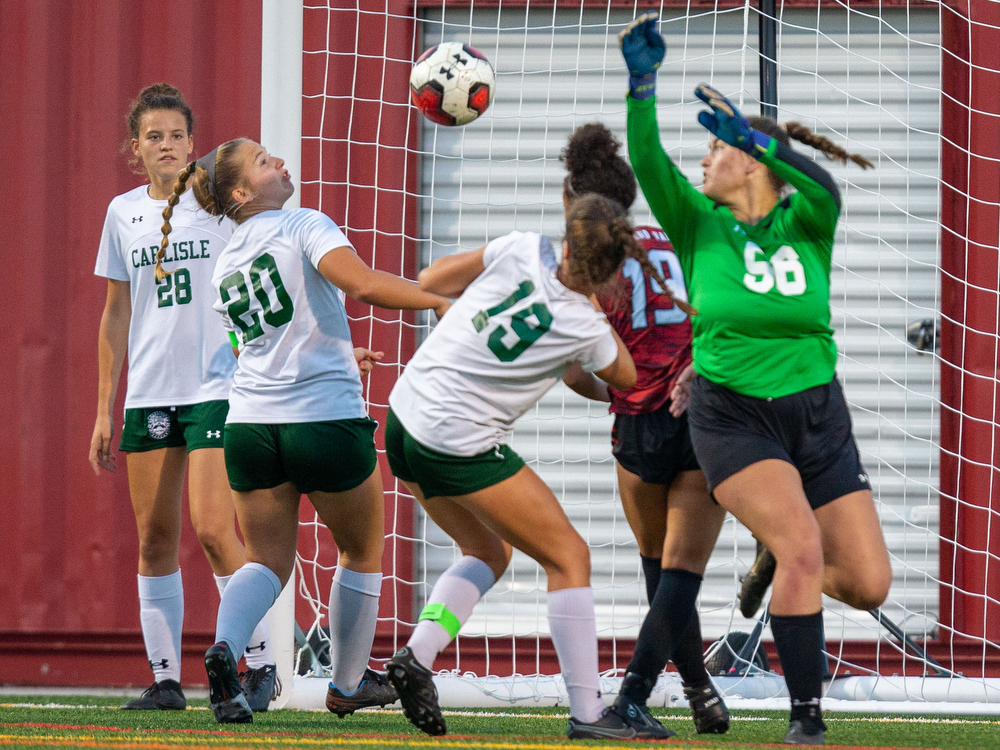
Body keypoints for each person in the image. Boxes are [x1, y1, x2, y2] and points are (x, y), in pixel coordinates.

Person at [619, 13, 892, 745]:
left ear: (753, 164)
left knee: (867, 584)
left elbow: (825, 180)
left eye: (716, 148)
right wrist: (641, 88)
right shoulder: (698, 221)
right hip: (732, 416)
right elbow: (648, 164)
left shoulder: (809, 221)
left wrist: (756, 136)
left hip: (817, 414)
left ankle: (774, 553)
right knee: (806, 544)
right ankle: (807, 722)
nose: (703, 160)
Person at [155, 137, 449, 723]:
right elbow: (361, 284)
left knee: (266, 562)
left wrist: (341, 353)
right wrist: (437, 299)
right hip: (322, 419)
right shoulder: (302, 223)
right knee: (361, 547)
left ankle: (225, 652)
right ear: (241, 192)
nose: (281, 163)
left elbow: (257, 346)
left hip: (249, 425)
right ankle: (345, 685)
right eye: (266, 162)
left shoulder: (226, 264)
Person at [383, 193, 652, 740]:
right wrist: (600, 308)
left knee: (487, 550)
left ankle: (416, 656)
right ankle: (588, 714)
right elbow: (623, 375)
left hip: (402, 415)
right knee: (569, 557)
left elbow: (432, 277)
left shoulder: (523, 247)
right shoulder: (586, 323)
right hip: (455, 441)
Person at [89, 84, 277, 712]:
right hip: (149, 394)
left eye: (176, 135)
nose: (165, 145)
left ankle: (260, 667)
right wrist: (103, 407)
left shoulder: (216, 202)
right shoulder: (122, 214)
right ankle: (166, 681)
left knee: (216, 531)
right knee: (154, 539)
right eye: (153, 136)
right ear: (135, 147)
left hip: (216, 389)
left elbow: (263, 263)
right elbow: (116, 314)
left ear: (193, 143)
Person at [558, 123, 730, 738]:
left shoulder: (581, 262)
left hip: (638, 425)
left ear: (572, 203)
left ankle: (641, 695)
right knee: (682, 570)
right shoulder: (682, 233)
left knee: (659, 563)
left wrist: (621, 392)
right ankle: (698, 688)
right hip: (703, 412)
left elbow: (577, 372)